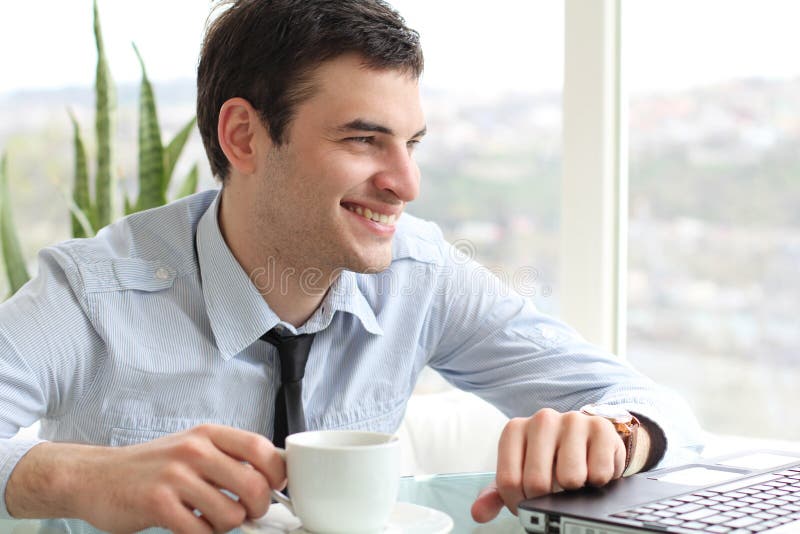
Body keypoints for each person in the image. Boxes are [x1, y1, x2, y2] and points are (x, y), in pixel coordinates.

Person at [0, 0, 703, 532]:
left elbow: (657, 408)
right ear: (244, 136)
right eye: (363, 140)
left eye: (411, 143)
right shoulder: (94, 292)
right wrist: (82, 477)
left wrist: (613, 434)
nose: (406, 183)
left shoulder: (421, 274)